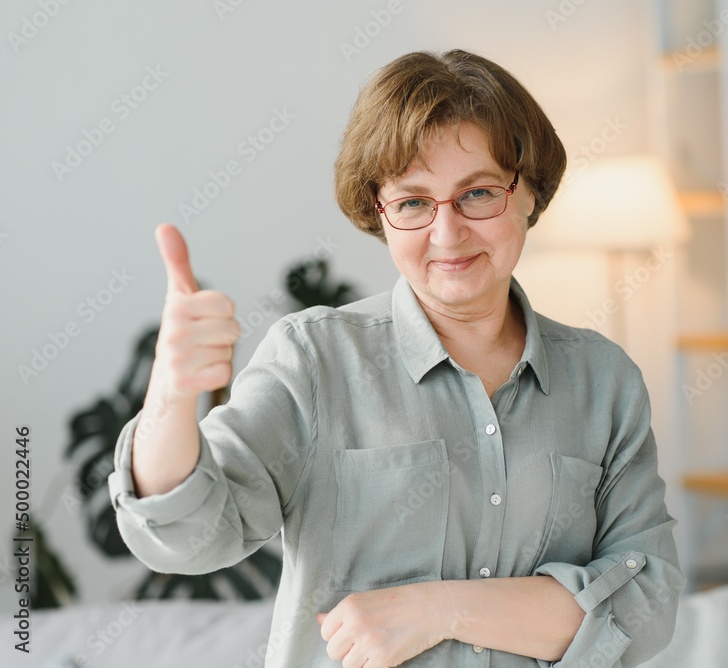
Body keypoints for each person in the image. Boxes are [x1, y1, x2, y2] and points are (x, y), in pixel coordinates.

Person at [109, 49, 685, 667]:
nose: (447, 233)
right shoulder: (314, 359)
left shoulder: (605, 381)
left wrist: (443, 609)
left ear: (530, 194)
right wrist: (169, 393)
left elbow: (645, 601)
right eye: (413, 203)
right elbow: (188, 539)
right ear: (380, 216)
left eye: (479, 193)